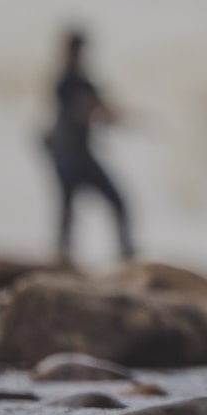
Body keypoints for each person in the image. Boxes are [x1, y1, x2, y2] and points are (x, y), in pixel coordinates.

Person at [45, 28, 133, 266]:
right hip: (66, 156)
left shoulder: (85, 81)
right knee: (68, 208)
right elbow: (80, 111)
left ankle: (127, 257)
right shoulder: (64, 81)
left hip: (82, 154)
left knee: (118, 202)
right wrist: (100, 113)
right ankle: (63, 258)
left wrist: (123, 117)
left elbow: (103, 110)